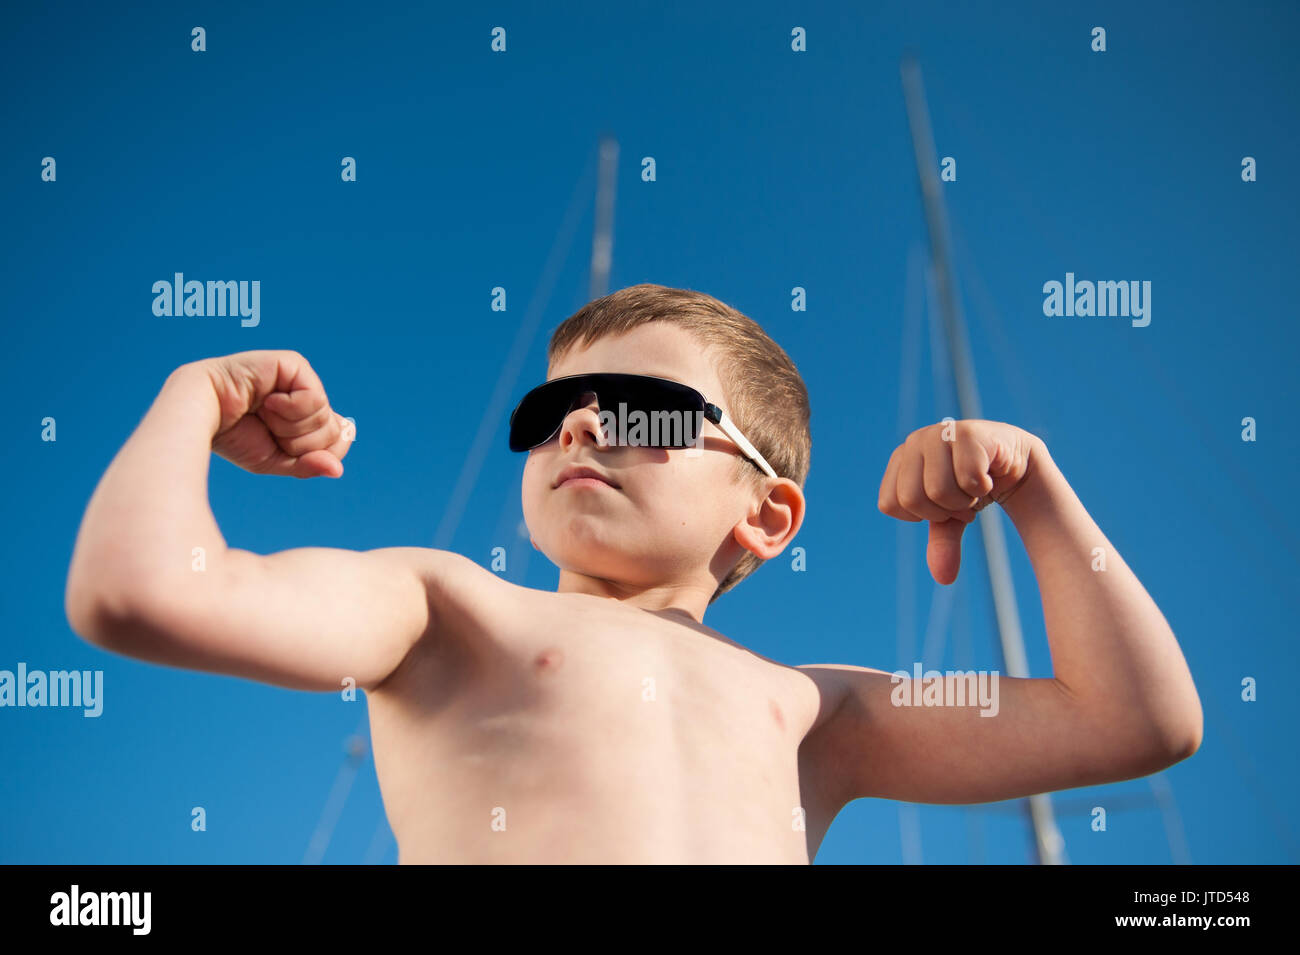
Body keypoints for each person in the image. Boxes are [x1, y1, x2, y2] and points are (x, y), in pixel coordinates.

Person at [64, 283, 1202, 863]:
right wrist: (193, 396)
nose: (580, 426)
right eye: (552, 408)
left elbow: (1135, 720)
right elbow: (143, 590)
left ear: (764, 512)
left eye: (644, 409)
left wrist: (1035, 491)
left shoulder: (814, 709)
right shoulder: (443, 606)